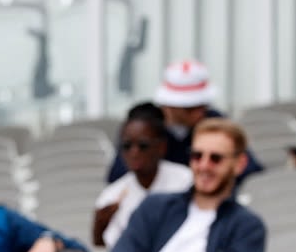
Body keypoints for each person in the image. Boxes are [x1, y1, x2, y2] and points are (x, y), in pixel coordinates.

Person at [101, 118, 268, 252]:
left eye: (216, 158)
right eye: (197, 156)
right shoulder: (155, 206)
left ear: (239, 164)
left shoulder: (246, 226)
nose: (204, 166)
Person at [106, 60, 262, 183]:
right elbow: (119, 175)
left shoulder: (216, 123)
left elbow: (250, 168)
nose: (199, 113)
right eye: (189, 108)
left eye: (203, 106)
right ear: (169, 106)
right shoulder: (141, 129)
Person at [93, 102, 195, 249]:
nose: (134, 153)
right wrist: (100, 227)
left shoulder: (186, 181)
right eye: (127, 146)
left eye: (143, 146)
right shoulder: (112, 196)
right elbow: (111, 248)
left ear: (161, 147)